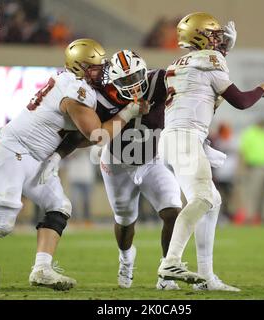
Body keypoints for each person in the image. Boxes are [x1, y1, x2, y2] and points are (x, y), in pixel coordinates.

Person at [0, 38, 146, 290]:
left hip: (35, 156)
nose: (101, 71)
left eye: (101, 65)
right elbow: (97, 135)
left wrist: (56, 157)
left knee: (59, 205)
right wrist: (128, 112)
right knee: (1, 224)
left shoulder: (75, 84)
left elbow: (78, 136)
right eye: (94, 67)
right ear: (78, 67)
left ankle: (42, 269)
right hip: (12, 151)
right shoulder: (77, 90)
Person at [47, 47, 240, 291]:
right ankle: (126, 259)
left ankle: (166, 273)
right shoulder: (100, 97)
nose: (133, 84)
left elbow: (194, 82)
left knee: (173, 212)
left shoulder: (161, 80)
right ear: (112, 80)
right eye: (125, 80)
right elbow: (90, 135)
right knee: (126, 222)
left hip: (153, 159)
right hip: (118, 163)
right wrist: (57, 155)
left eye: (136, 76)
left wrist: (219, 56)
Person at [157, 12, 264, 285]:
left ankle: (206, 276)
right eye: (214, 34)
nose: (219, 40)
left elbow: (207, 93)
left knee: (212, 201)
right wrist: (261, 90)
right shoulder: (210, 60)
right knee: (204, 198)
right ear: (200, 36)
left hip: (172, 140)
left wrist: (221, 53)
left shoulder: (179, 64)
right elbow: (241, 101)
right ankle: (170, 263)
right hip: (184, 139)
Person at [239, 120, 264, 223]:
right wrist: (244, 167)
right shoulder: (250, 133)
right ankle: (250, 216)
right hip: (254, 166)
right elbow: (243, 150)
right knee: (253, 193)